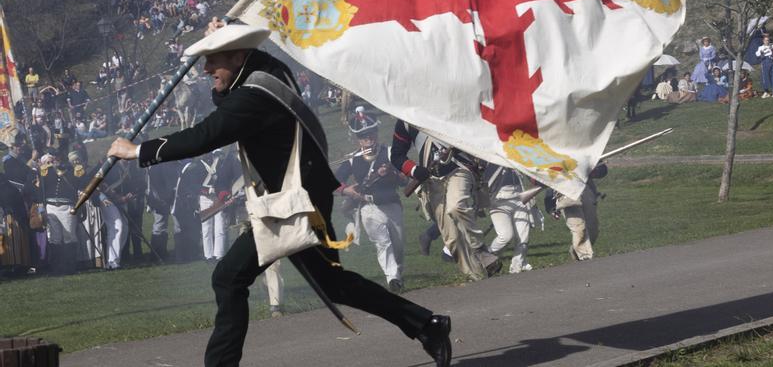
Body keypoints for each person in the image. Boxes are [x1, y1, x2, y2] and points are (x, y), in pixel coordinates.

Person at [107, 21, 451, 367]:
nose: (206, 68)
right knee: (333, 285)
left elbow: (205, 135)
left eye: (214, 59)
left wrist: (139, 151)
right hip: (300, 197)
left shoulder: (252, 98)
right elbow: (227, 99)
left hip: (296, 202)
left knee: (228, 278)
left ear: (239, 55)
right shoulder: (268, 72)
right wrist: (227, 32)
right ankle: (425, 324)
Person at [391, 119, 502, 282]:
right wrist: (414, 170)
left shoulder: (446, 106)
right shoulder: (405, 120)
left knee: (456, 207)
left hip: (459, 169)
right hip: (432, 179)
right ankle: (477, 278)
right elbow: (397, 155)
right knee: (452, 238)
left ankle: (480, 249)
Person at [335, 110, 407, 293]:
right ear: (358, 140)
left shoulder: (391, 153)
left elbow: (405, 180)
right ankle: (392, 278)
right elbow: (335, 181)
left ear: (376, 134)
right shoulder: (353, 160)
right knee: (383, 243)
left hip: (392, 205)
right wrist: (346, 190)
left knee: (397, 245)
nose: (369, 140)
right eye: (364, 137)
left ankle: (397, 274)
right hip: (369, 208)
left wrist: (392, 173)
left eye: (371, 135)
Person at [484, 163, 539, 274]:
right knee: (505, 236)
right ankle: (486, 259)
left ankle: (517, 266)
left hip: (519, 198)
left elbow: (531, 177)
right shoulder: (487, 157)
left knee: (523, 237)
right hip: (498, 200)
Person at [544, 164, 605, 261]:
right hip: (565, 193)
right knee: (578, 228)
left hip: (586, 188)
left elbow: (603, 170)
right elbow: (548, 179)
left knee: (592, 230)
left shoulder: (583, 149)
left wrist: (594, 170)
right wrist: (551, 206)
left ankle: (576, 250)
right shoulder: (553, 152)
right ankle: (585, 257)